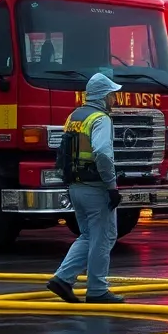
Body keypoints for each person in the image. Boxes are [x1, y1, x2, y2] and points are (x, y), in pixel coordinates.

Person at [46, 73, 126, 304]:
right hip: (95, 188)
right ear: (103, 96)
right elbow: (102, 152)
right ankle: (98, 290)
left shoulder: (75, 116)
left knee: (88, 235)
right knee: (104, 237)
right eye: (112, 95)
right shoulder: (101, 119)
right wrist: (111, 186)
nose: (114, 100)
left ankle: (62, 279)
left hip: (75, 186)